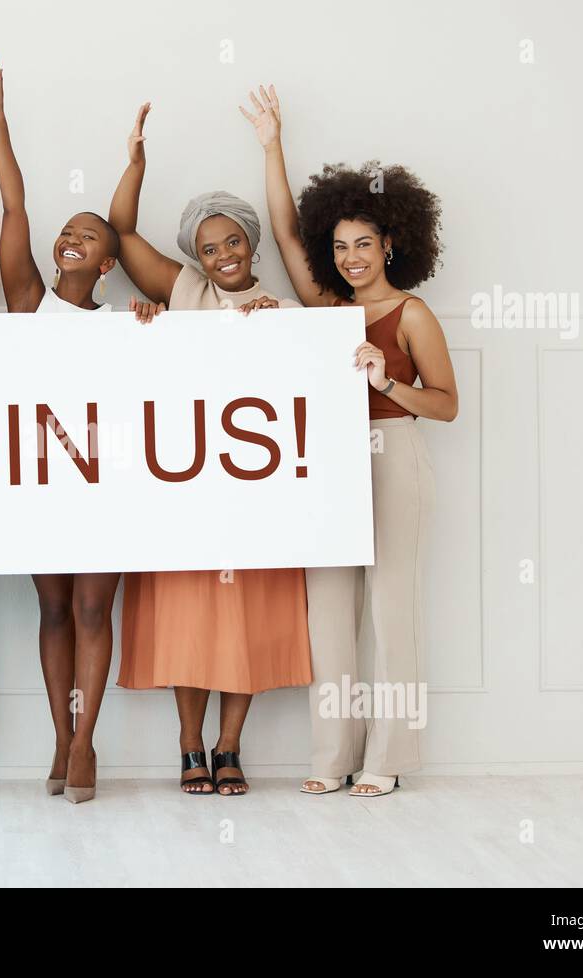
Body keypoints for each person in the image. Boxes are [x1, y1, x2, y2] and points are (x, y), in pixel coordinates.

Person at [241, 84, 457, 797]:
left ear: (392, 242)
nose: (353, 256)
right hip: (330, 464)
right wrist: (273, 144)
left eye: (365, 243)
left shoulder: (411, 314)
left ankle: (389, 758)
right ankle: (333, 754)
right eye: (341, 246)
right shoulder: (326, 308)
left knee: (393, 609)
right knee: (329, 612)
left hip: (394, 455)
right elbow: (283, 232)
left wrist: (388, 382)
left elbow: (447, 405)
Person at [109, 102, 313, 796]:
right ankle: (189, 745)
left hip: (255, 502)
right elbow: (123, 231)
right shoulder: (184, 293)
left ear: (251, 247)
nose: (223, 255)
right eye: (208, 247)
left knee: (245, 624)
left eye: (233, 244)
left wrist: (275, 335)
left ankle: (230, 748)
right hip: (186, 497)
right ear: (194, 257)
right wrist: (136, 160)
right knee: (189, 619)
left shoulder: (285, 315)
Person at [0, 57, 160, 804]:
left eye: (89, 234)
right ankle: (60, 739)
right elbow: (13, 209)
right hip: (38, 481)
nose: (70, 237)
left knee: (92, 609)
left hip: (103, 482)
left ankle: (87, 746)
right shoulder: (26, 300)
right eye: (67, 232)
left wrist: (151, 321)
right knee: (53, 609)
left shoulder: (127, 323)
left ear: (109, 262)